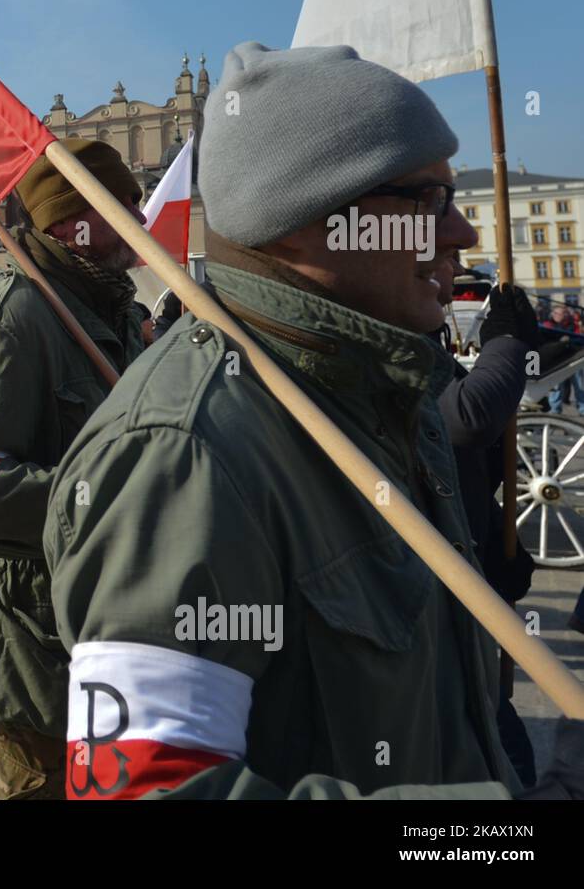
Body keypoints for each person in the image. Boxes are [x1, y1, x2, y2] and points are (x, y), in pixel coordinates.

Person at [46, 42, 584, 799]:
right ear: (300, 221)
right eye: (426, 201)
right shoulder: (183, 451)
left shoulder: (382, 392)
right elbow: (138, 790)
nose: (462, 234)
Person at [0, 139, 146, 800]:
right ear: (75, 221)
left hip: (73, 647)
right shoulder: (14, 316)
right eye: (124, 202)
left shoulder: (113, 313)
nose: (143, 213)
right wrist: (126, 498)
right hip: (26, 658)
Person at [434, 253, 541, 787]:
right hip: (436, 625)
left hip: (468, 589)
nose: (461, 251)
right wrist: (505, 346)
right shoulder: (380, 346)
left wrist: (498, 541)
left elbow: (466, 467)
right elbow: (466, 421)